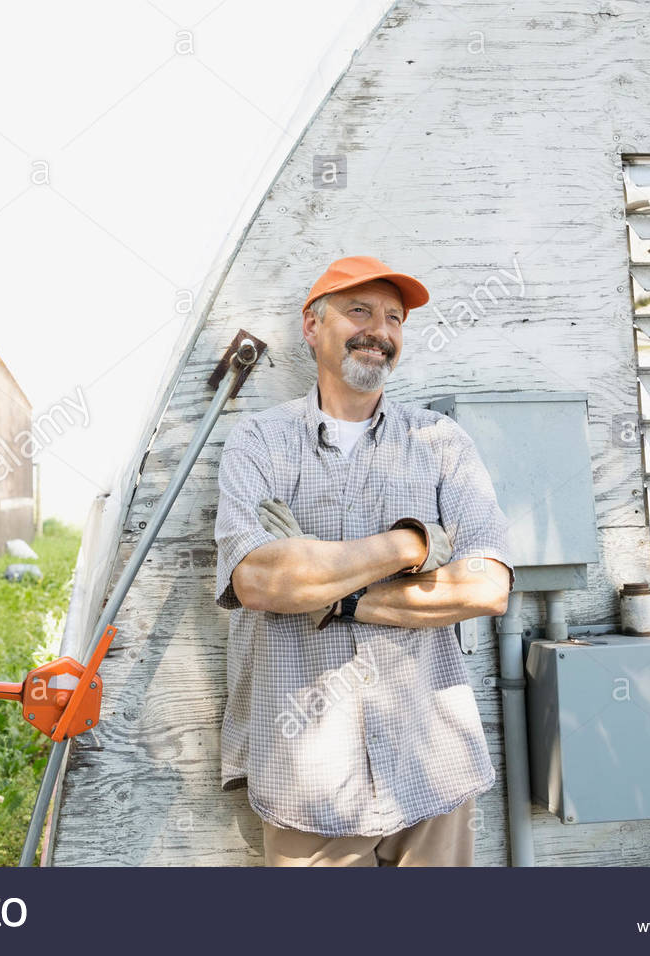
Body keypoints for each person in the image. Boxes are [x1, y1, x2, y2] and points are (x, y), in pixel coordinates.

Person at [213, 255, 515, 867]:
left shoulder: (441, 442)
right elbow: (258, 579)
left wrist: (339, 596)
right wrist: (411, 545)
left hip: (431, 768)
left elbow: (486, 587)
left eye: (395, 318)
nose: (380, 330)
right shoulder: (259, 442)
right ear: (311, 326)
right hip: (310, 778)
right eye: (359, 311)